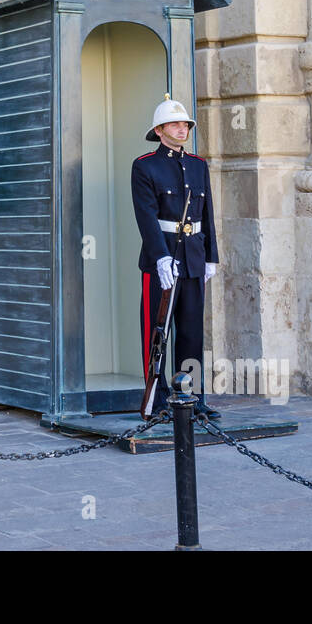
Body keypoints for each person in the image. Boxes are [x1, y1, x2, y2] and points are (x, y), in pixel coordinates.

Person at [130, 95, 220, 421]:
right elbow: (146, 216)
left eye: (185, 124)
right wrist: (160, 257)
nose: (183, 129)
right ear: (159, 129)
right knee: (157, 334)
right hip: (163, 260)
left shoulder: (198, 165)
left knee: (192, 332)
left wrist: (211, 257)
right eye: (175, 124)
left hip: (194, 257)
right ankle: (155, 399)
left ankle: (191, 398)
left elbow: (207, 214)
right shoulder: (145, 166)